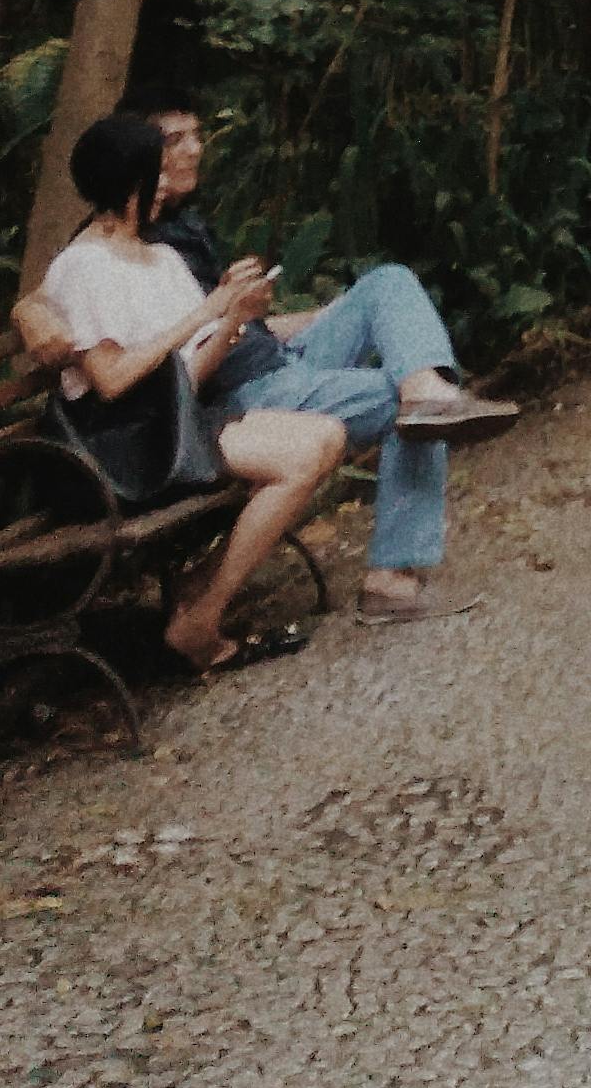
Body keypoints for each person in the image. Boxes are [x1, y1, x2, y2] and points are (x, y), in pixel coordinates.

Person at [140, 107, 513, 626]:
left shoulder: (182, 224)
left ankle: (428, 389)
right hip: (246, 396)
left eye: (197, 136)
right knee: (395, 402)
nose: (195, 149)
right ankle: (392, 581)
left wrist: (322, 315)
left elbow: (245, 325)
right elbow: (185, 344)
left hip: (275, 358)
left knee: (386, 283)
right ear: (137, 156)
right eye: (175, 140)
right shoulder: (134, 245)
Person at [29, 112, 346, 678]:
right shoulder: (83, 265)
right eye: (159, 171)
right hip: (116, 450)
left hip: (169, 425)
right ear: (133, 183)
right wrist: (206, 310)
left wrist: (232, 319)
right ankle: (201, 617)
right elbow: (112, 381)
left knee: (326, 437)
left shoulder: (161, 258)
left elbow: (189, 377)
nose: (172, 181)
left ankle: (201, 595)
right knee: (302, 453)